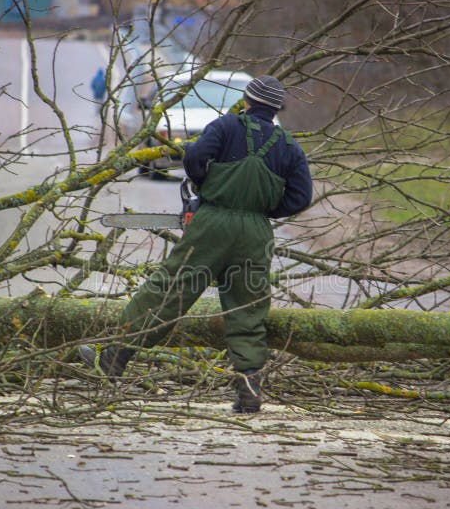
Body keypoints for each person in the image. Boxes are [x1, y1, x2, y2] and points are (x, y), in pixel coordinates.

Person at [80, 75, 312, 413]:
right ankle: (249, 389)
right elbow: (301, 197)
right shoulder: (289, 146)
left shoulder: (225, 126)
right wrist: (264, 209)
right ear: (277, 108)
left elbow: (193, 158)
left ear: (247, 101)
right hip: (256, 232)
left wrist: (206, 188)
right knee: (247, 306)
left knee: (169, 290)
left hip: (212, 222)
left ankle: (114, 359)